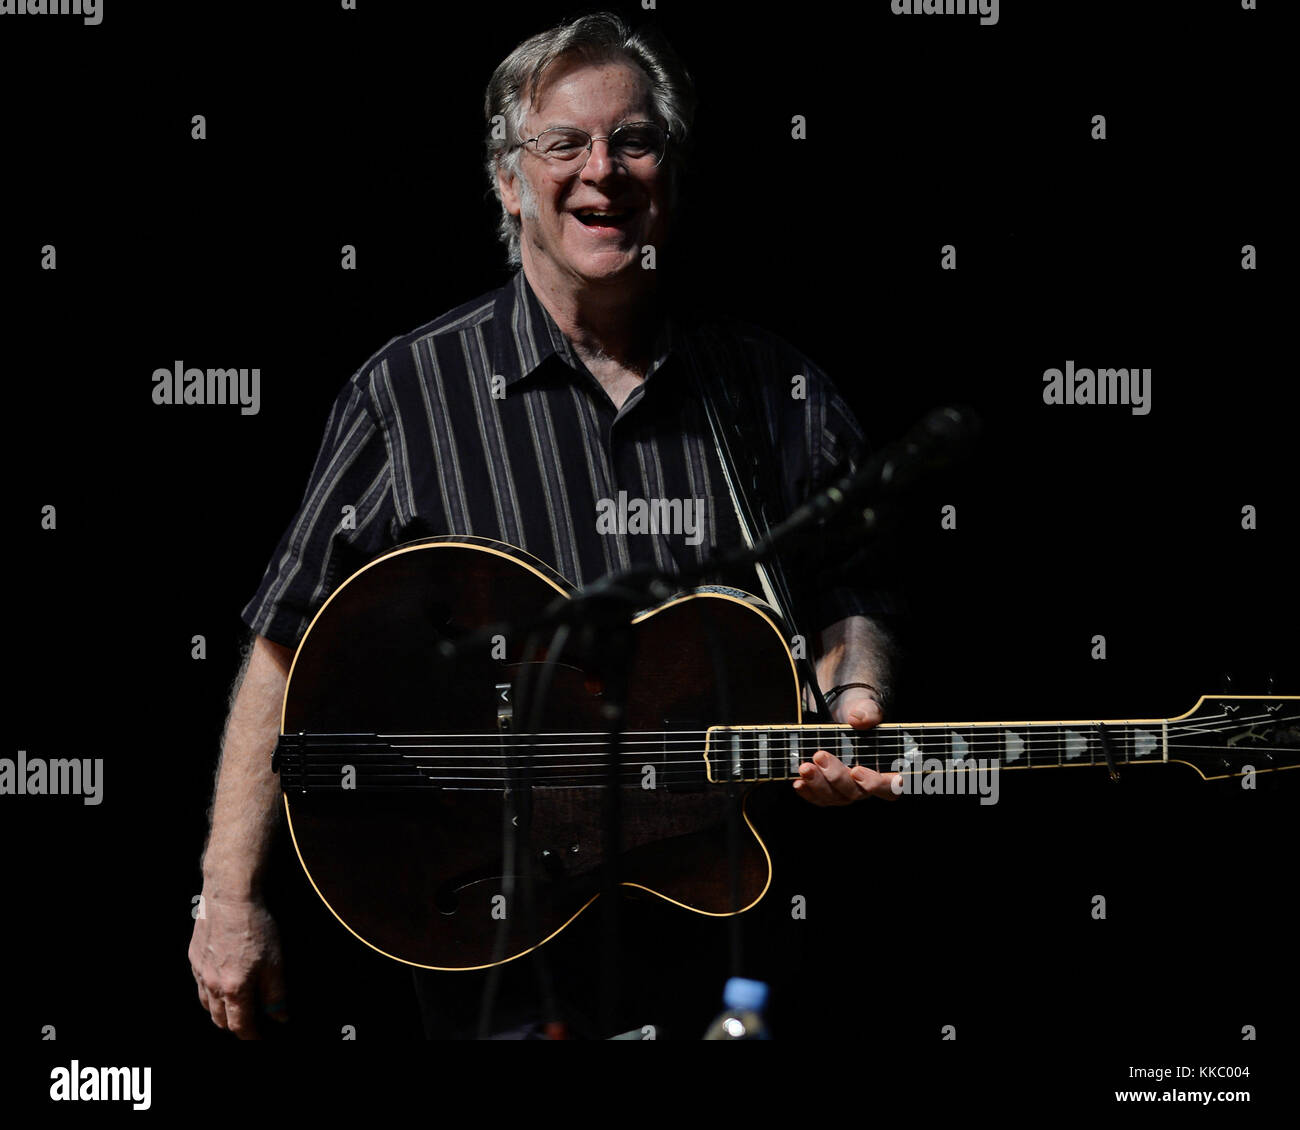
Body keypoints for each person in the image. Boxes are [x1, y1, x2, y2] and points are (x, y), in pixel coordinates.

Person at [188, 10, 901, 1041]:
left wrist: (856, 697)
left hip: (733, 930)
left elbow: (851, 589)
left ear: (671, 168)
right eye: (562, 142)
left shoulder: (776, 389)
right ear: (506, 179)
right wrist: (229, 898)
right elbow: (281, 641)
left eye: (634, 139)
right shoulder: (410, 390)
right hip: (495, 945)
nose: (600, 171)